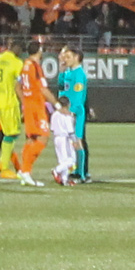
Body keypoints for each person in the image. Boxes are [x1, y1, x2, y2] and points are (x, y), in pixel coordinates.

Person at [0, 40, 25, 180]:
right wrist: (24, 103)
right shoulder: (17, 63)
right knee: (12, 133)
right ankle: (4, 166)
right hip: (9, 101)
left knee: (8, 133)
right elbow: (17, 86)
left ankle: (4, 162)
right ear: (19, 50)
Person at [15, 41, 53, 186]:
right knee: (43, 137)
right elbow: (43, 89)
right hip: (36, 106)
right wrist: (56, 104)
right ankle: (25, 171)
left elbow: (17, 86)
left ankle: (22, 172)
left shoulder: (24, 65)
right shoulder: (35, 66)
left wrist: (25, 101)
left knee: (31, 139)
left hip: (29, 105)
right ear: (40, 51)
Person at [57, 47, 91, 182]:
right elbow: (60, 87)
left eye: (68, 57)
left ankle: (82, 175)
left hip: (75, 113)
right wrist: (61, 72)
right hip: (66, 113)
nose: (66, 59)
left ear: (77, 57)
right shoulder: (69, 72)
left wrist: (72, 112)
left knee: (78, 142)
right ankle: (77, 170)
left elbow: (78, 97)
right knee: (72, 143)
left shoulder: (79, 74)